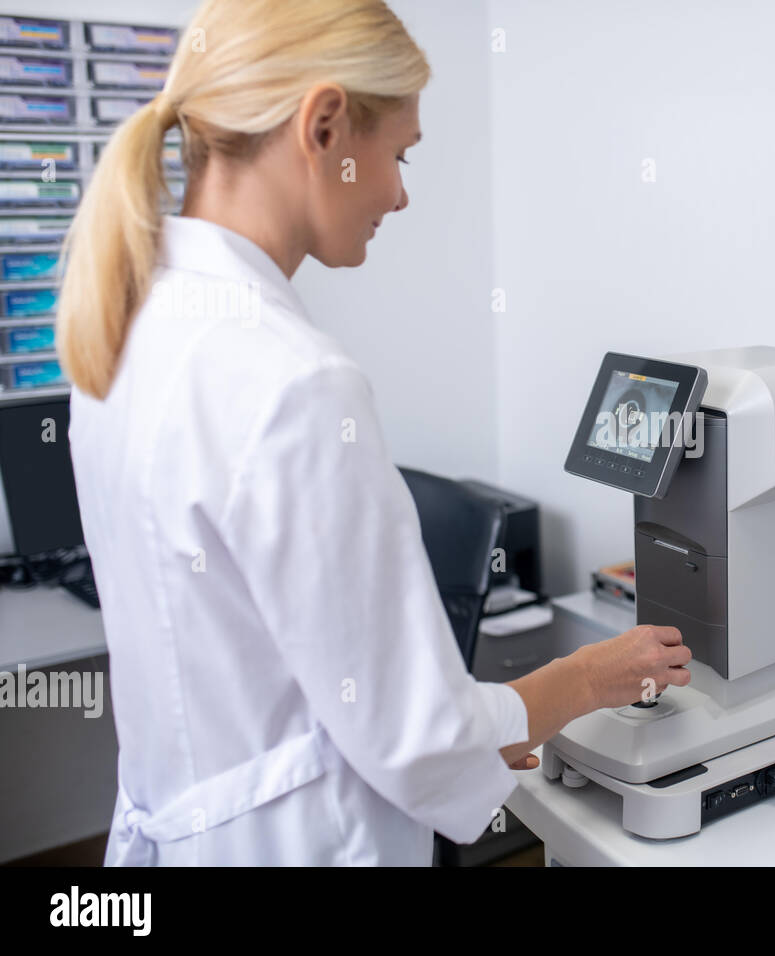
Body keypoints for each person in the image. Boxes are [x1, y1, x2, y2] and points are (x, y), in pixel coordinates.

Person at [55, 0, 689, 866]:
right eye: (397, 155)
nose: (398, 192)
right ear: (322, 126)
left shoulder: (126, 322)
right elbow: (418, 737)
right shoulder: (295, 382)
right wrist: (588, 679)